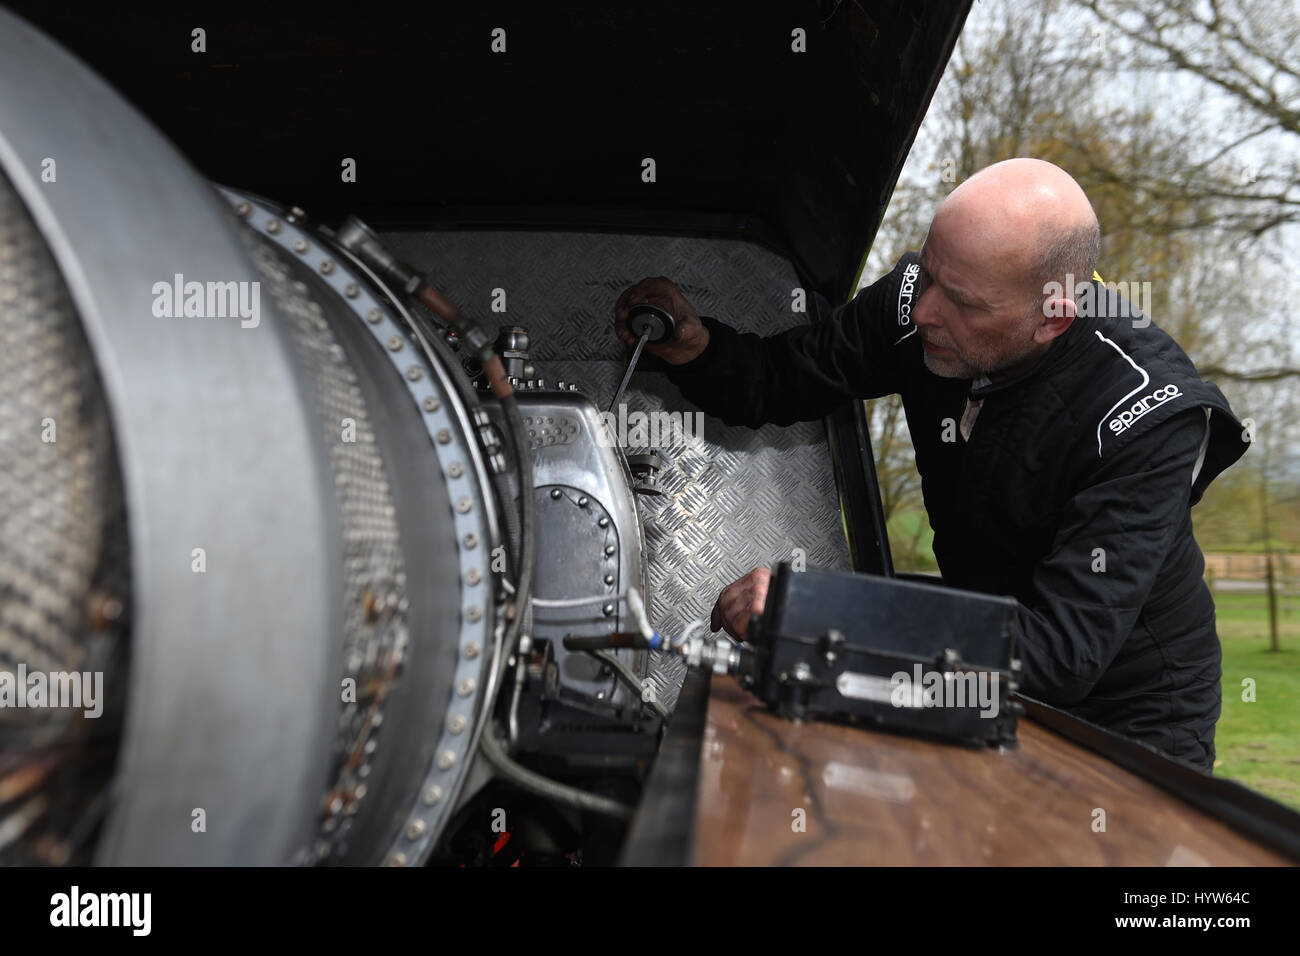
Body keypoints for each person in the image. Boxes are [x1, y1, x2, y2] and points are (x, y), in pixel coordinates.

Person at [612, 158, 1250, 770]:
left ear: (1052, 317)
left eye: (964, 302)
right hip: (971, 659)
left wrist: (815, 608)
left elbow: (1063, 650)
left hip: (1128, 713)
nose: (923, 312)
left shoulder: (1146, 411)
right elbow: (781, 378)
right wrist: (696, 348)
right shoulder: (917, 304)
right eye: (931, 271)